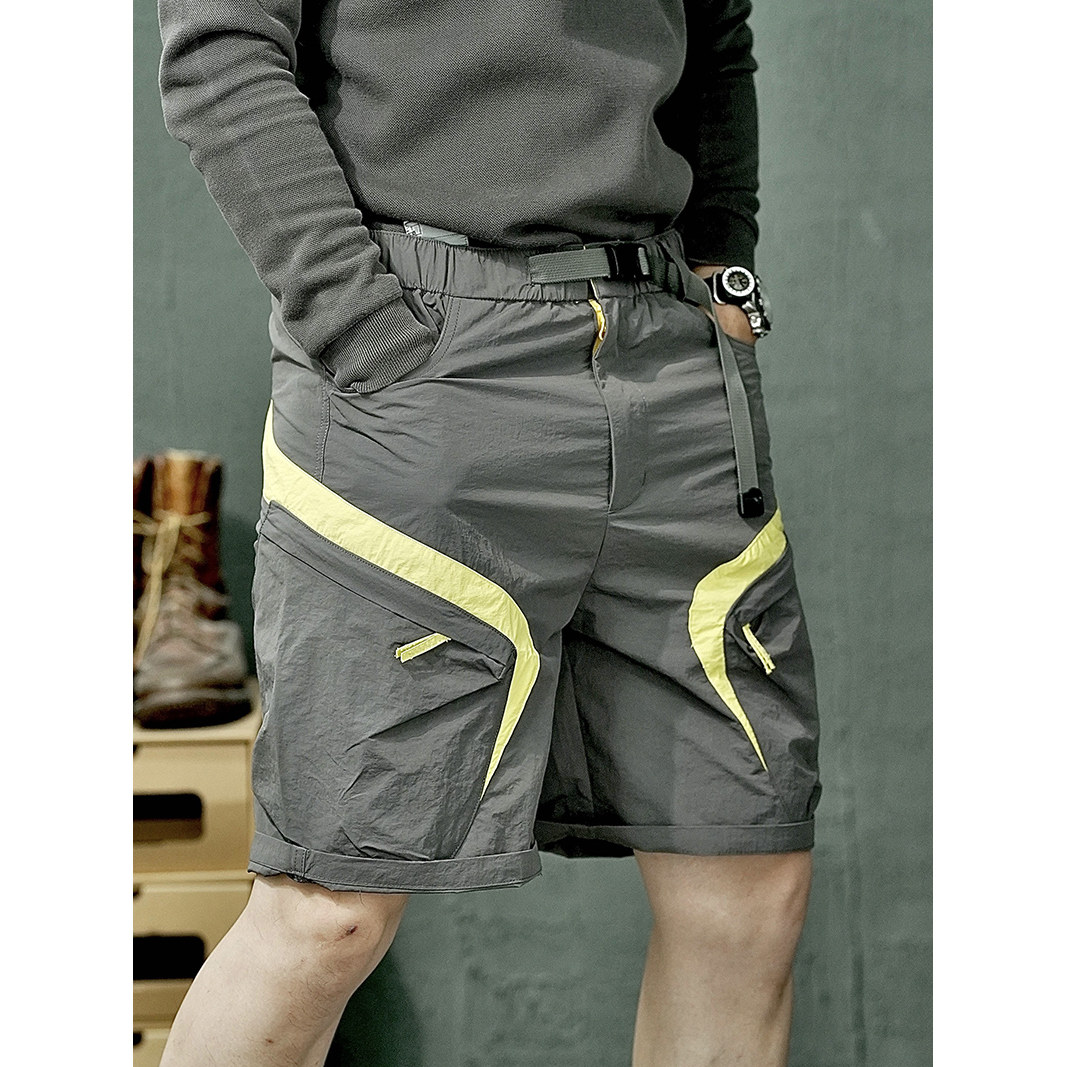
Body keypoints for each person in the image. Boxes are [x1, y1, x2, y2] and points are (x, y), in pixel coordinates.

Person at [154, 1, 821, 1064]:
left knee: (749, 888)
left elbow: (715, 29)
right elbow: (221, 46)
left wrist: (719, 259)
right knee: (329, 910)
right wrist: (356, 323)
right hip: (419, 351)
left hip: (668, 362)